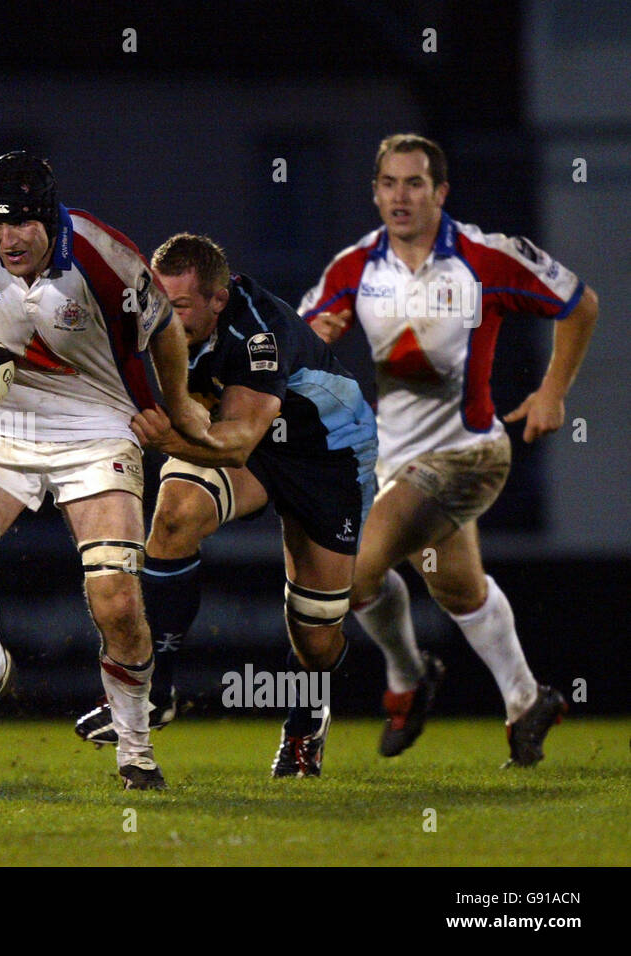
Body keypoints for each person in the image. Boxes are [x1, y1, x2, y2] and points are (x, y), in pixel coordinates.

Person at [0, 151, 209, 790]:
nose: (7, 239)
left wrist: (170, 407)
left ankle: (135, 751)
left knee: (116, 599)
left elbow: (168, 330)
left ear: (51, 218)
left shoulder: (105, 258)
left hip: (96, 428)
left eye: (23, 226)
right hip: (0, 421)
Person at [301, 133, 599, 766]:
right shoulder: (355, 265)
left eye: (414, 183)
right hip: (391, 462)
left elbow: (579, 303)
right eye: (389, 183)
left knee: (352, 571)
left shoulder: (483, 256)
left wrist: (552, 392)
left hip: (469, 458)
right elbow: (301, 342)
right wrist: (315, 340)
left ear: (440, 192)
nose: (400, 196)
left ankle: (407, 679)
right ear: (375, 192)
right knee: (458, 590)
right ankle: (527, 700)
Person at [74, 234, 378, 777]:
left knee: (316, 633)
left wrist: (157, 437)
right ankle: (156, 689)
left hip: (325, 456)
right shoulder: (149, 316)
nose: (166, 316)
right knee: (172, 518)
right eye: (161, 302)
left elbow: (237, 441)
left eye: (182, 306)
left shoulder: (258, 331)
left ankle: (307, 718)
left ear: (219, 300)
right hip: (241, 445)